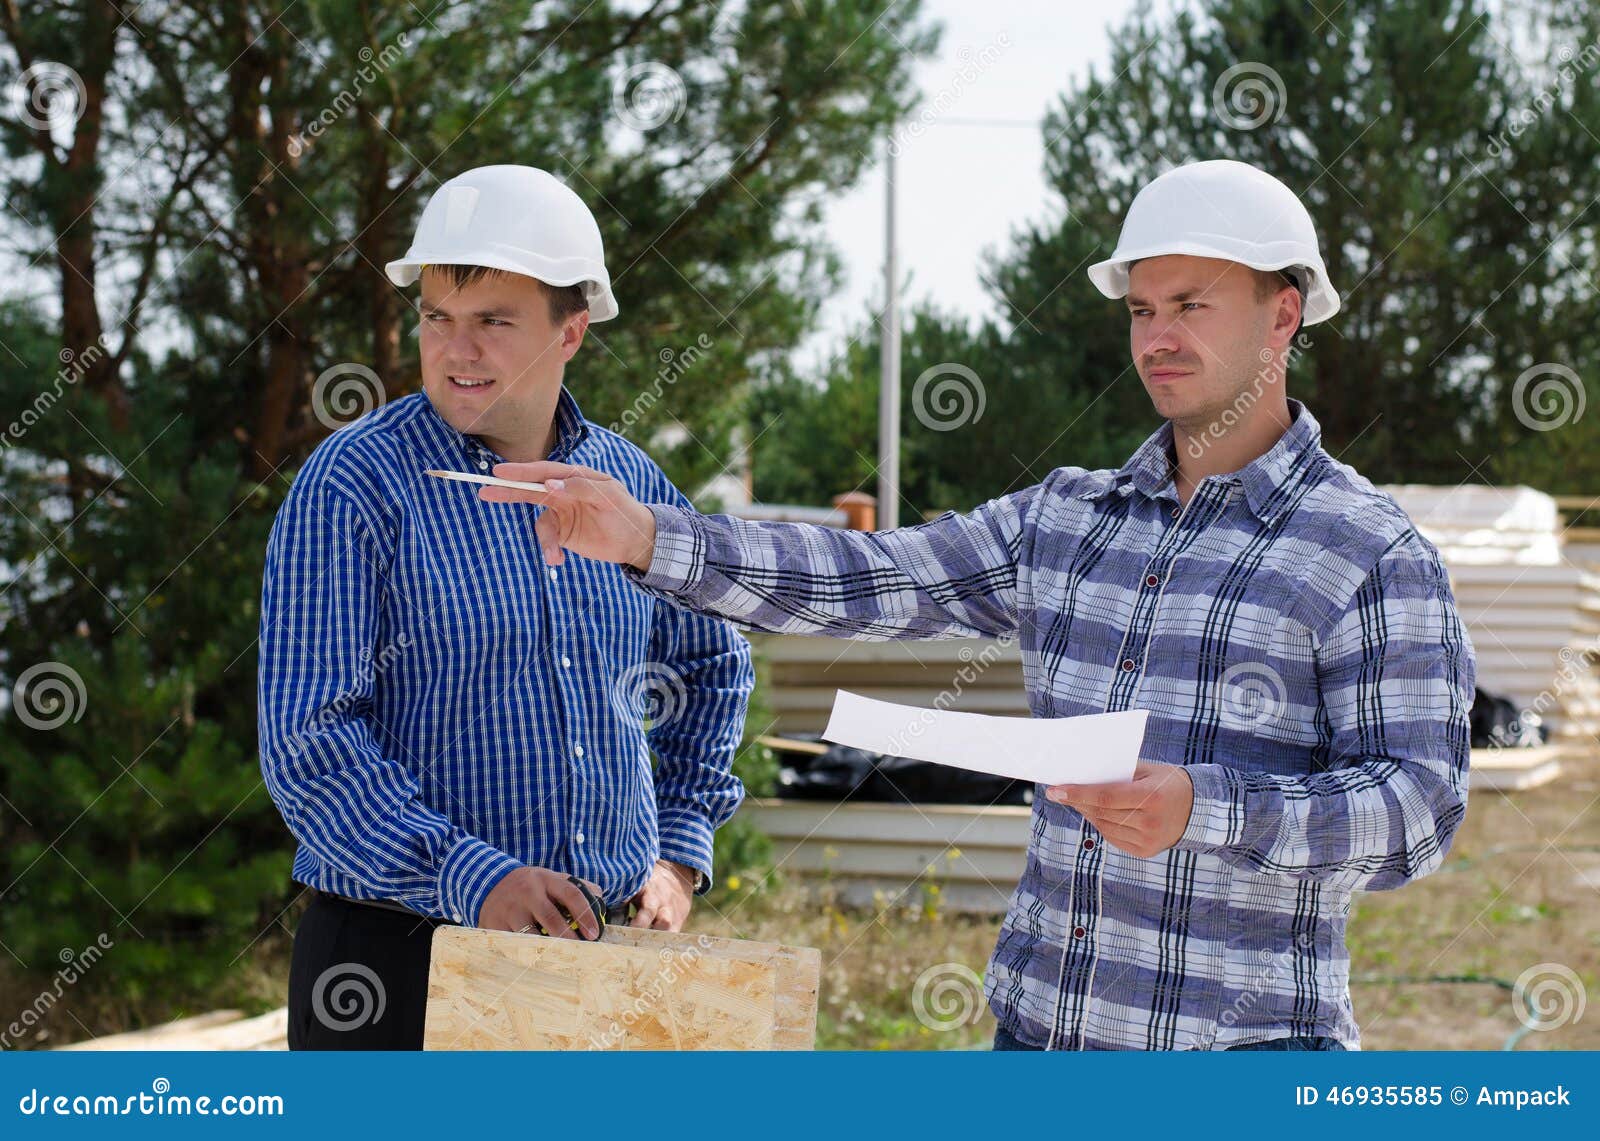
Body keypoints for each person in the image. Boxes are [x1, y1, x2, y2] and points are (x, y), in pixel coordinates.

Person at [474, 160, 1475, 1051]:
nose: (1158, 338)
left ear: (1283, 315)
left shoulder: (1366, 552)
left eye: (1191, 306)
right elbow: (870, 574)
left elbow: (1420, 809)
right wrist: (649, 536)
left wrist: (1202, 807)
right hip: (1038, 1040)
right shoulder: (1069, 519)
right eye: (1140, 309)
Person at [257, 165, 754, 1050]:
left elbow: (713, 663)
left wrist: (677, 852)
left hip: (598, 960)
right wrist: (472, 876)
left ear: (572, 330)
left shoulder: (629, 486)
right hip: (392, 965)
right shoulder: (354, 485)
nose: (457, 350)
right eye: (437, 318)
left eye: (493, 321)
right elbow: (308, 739)